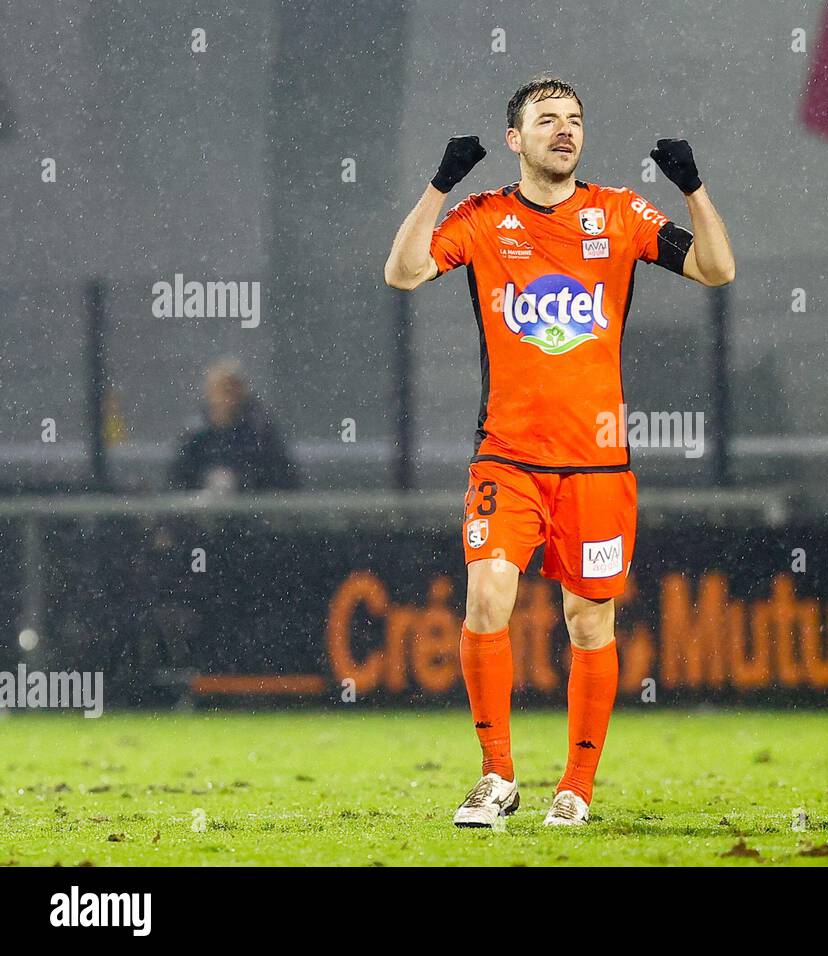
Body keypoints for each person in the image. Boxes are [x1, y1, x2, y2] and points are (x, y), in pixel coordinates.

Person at [383, 75, 735, 827]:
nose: (565, 131)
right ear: (514, 139)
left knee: (589, 624)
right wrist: (439, 183)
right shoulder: (482, 218)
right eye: (547, 121)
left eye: (574, 119)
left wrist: (694, 188)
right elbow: (404, 271)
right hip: (506, 457)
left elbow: (716, 269)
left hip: (598, 465)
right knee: (485, 596)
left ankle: (574, 788)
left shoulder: (619, 213)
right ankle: (497, 776)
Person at [169, 359, 299, 493]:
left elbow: (282, 479)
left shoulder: (261, 432)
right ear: (209, 392)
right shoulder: (195, 435)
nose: (226, 397)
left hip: (252, 509)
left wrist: (241, 484)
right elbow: (176, 481)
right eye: (220, 390)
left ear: (242, 392)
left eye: (232, 389)